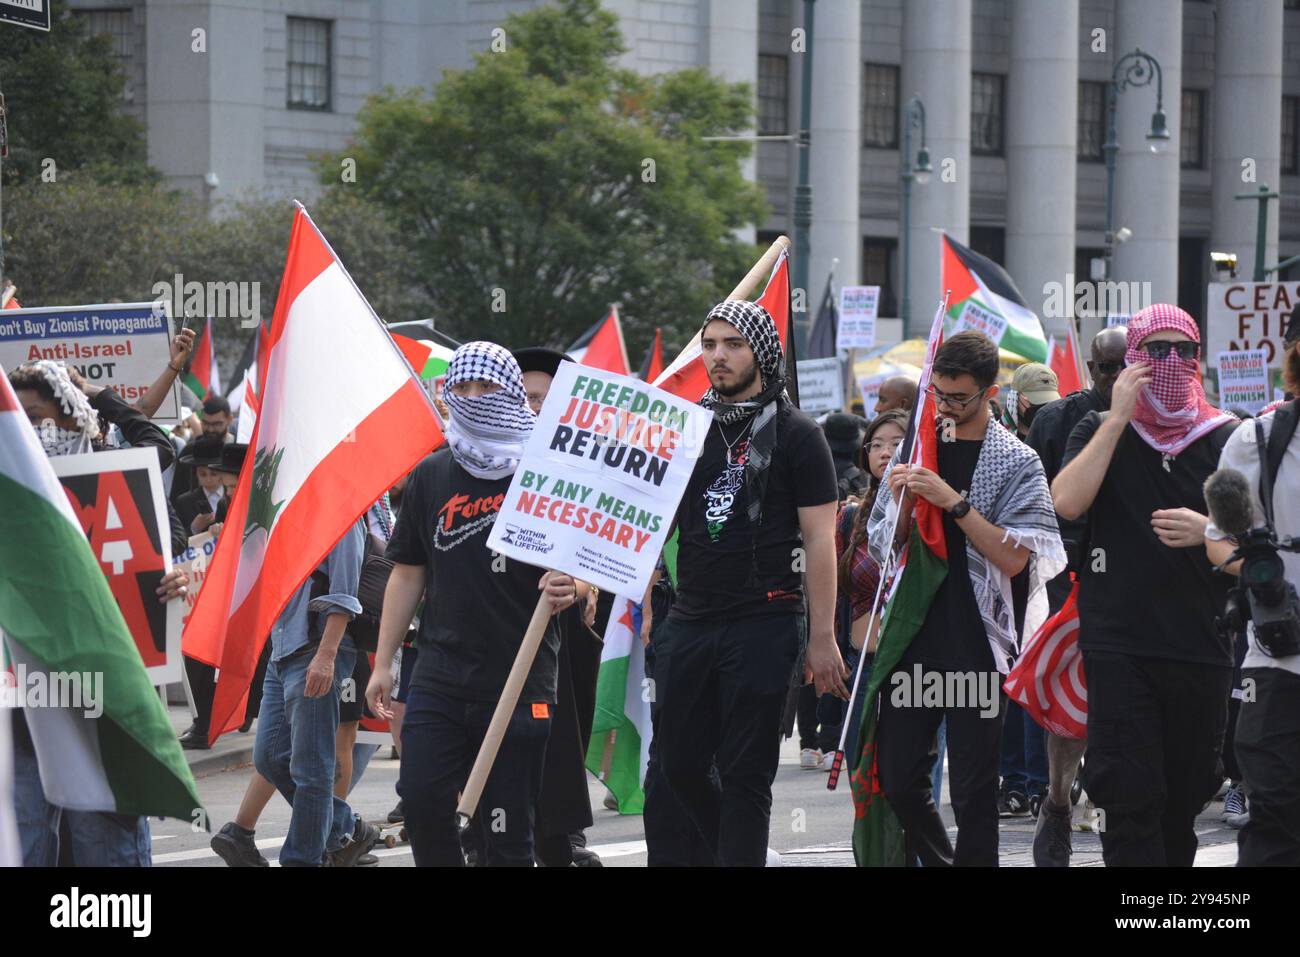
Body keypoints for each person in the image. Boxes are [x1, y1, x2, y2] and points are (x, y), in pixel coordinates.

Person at [641, 299, 847, 867]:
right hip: (692, 619)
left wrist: (822, 637)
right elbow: (651, 519)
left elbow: (821, 541)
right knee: (677, 765)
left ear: (761, 351)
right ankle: (728, 853)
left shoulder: (798, 434)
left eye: (732, 344)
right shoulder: (686, 428)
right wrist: (648, 594)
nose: (718, 356)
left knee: (745, 776)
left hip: (767, 618)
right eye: (709, 345)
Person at [366, 342, 579, 867]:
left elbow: (586, 564)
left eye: (486, 387)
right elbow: (408, 571)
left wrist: (576, 586)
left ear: (509, 391)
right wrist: (382, 663)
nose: (473, 397)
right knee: (422, 801)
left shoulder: (546, 471)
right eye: (462, 387)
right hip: (440, 673)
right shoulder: (431, 474)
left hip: (519, 675)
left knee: (506, 831)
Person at [866, 331, 1065, 866]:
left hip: (981, 643)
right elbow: (885, 546)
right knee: (900, 776)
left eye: (960, 398)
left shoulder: (1017, 460)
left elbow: (1018, 557)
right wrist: (904, 504)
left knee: (976, 793)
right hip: (914, 636)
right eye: (939, 395)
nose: (947, 407)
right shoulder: (917, 446)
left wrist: (953, 502)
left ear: (991, 393)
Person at [1052, 303, 1239, 867]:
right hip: (1119, 642)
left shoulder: (1226, 436)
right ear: (1133, 359)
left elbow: (1248, 550)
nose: (1171, 363)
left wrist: (1206, 530)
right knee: (1126, 788)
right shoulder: (1100, 429)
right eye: (1156, 352)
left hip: (1200, 644)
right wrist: (1116, 418)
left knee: (1182, 794)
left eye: (1183, 351)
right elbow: (1066, 501)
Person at [7, 360, 189, 866]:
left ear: (68, 415)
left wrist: (173, 580)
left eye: (34, 413)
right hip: (21, 702)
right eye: (13, 416)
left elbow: (166, 550)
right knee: (25, 840)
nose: (23, 427)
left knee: (105, 842)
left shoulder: (120, 477)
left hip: (104, 698)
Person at [1023, 325, 1127, 866]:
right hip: (1065, 577)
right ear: (1089, 368)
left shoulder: (1159, 426)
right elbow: (1036, 500)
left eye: (1123, 365)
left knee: (1118, 708)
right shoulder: (1059, 420)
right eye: (1104, 367)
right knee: (1068, 707)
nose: (1113, 377)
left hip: (1132, 588)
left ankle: (1112, 808)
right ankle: (1059, 800)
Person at [1205, 333, 1300, 865]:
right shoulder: (1258, 439)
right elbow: (1217, 536)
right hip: (1279, 661)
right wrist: (1256, 572)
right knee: (1275, 824)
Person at [513, 345, 604, 867]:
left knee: (567, 722)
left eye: (545, 398)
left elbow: (605, 540)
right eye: (525, 397)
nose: (534, 408)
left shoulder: (590, 462)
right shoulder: (492, 459)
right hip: (504, 615)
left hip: (569, 618)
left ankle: (561, 832)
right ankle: (495, 830)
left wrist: (585, 587)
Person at [832, 409, 908, 770]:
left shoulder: (931, 514)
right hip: (860, 665)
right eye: (876, 444)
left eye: (896, 443)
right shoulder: (849, 517)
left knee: (908, 781)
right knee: (861, 775)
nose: (884, 452)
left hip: (914, 666)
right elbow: (835, 593)